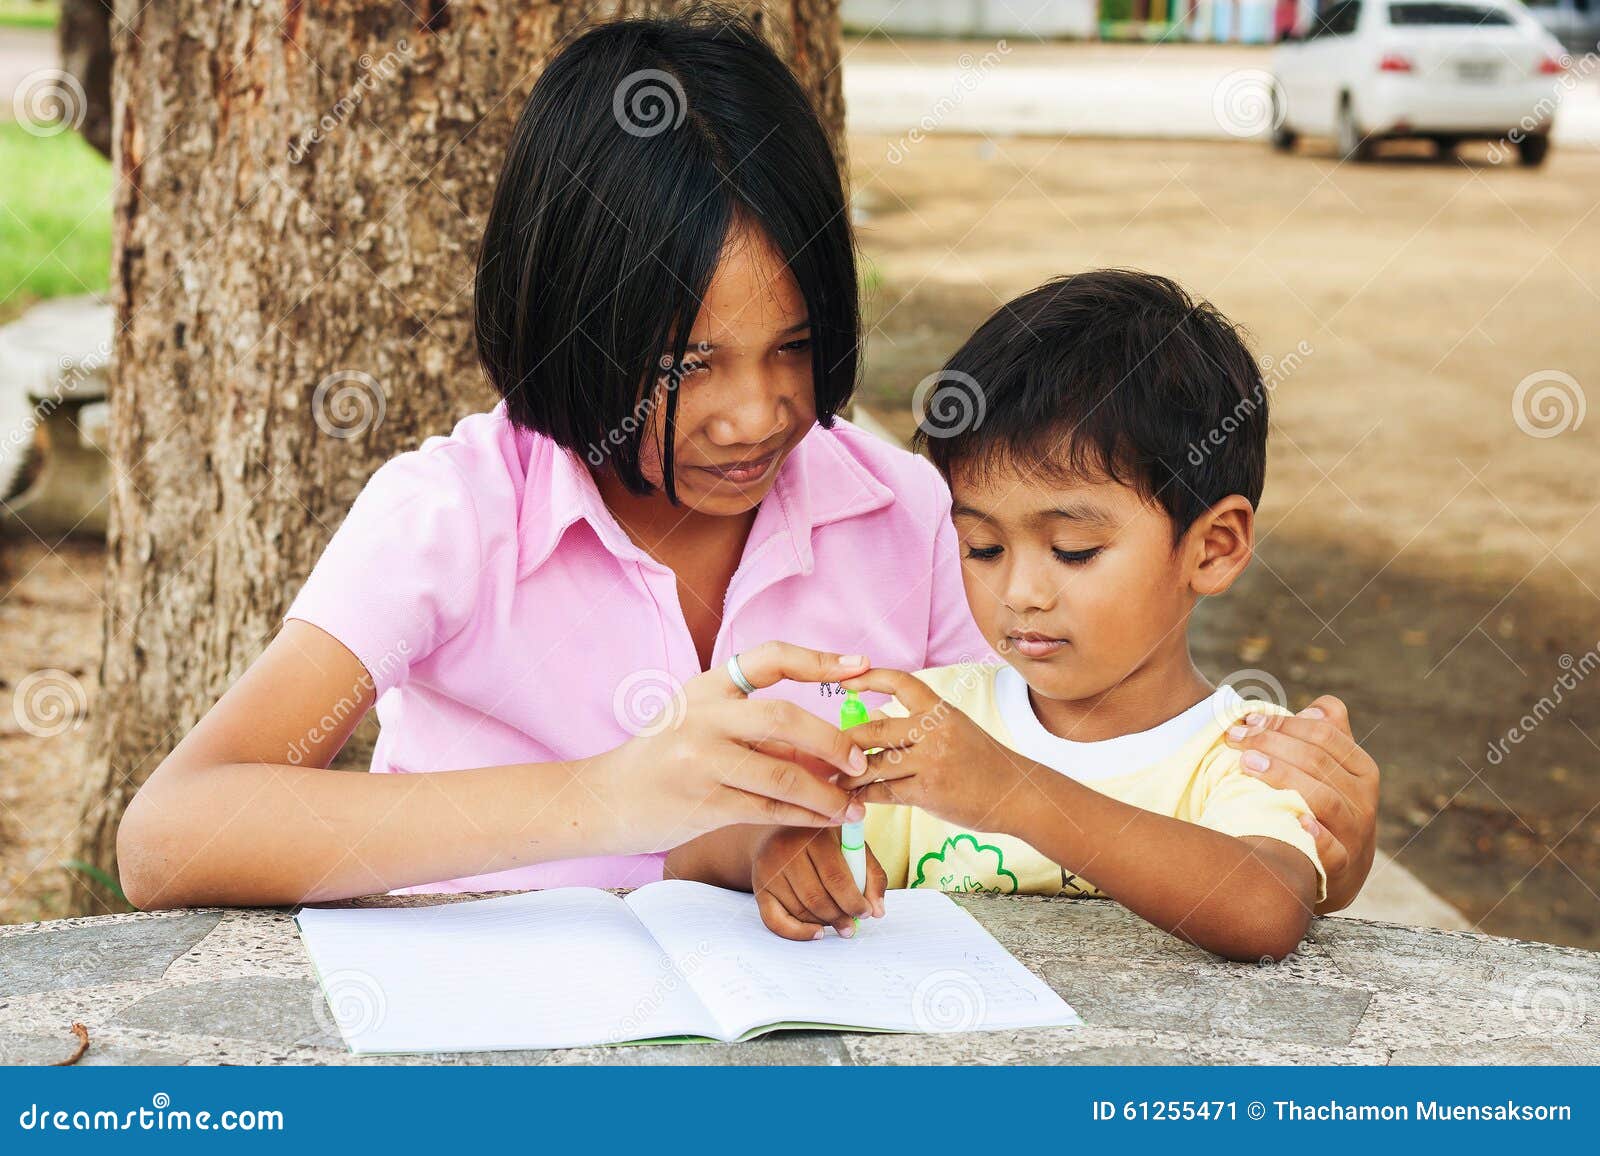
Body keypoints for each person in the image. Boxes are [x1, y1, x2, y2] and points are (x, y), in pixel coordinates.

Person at [116, 11, 1378, 914]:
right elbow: (173, 837)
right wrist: (612, 800)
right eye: (685, 365)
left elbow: (1060, 785)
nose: (758, 414)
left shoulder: (913, 515)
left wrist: (1301, 845)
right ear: (571, 319)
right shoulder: (454, 515)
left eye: (795, 345)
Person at [673, 271, 1376, 962]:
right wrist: (780, 849)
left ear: (1213, 549)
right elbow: (692, 848)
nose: (1020, 592)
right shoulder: (937, 721)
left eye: (1073, 551)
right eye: (983, 546)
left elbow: (1263, 910)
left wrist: (1011, 791)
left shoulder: (1247, 755)